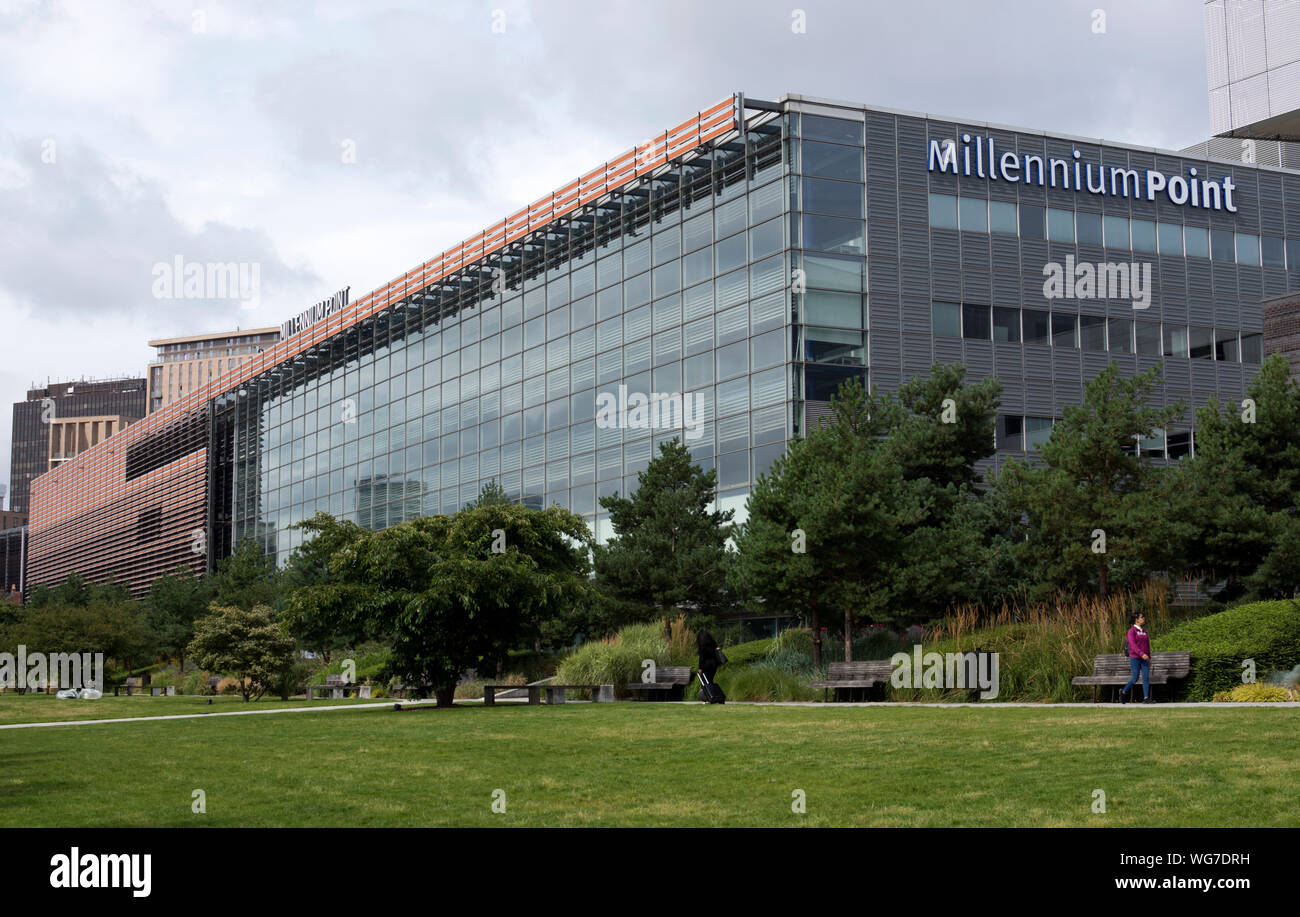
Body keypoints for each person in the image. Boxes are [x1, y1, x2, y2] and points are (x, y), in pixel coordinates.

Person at [1121, 611, 1154, 704]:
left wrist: (1149, 657)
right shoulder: (1131, 631)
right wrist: (1141, 654)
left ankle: (1146, 698)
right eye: (1142, 617)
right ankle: (1123, 692)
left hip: (1145, 658)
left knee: (1146, 677)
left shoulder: (1144, 631)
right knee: (1135, 678)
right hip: (1135, 658)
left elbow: (1147, 645)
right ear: (1136, 620)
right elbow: (1133, 645)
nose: (1144, 618)